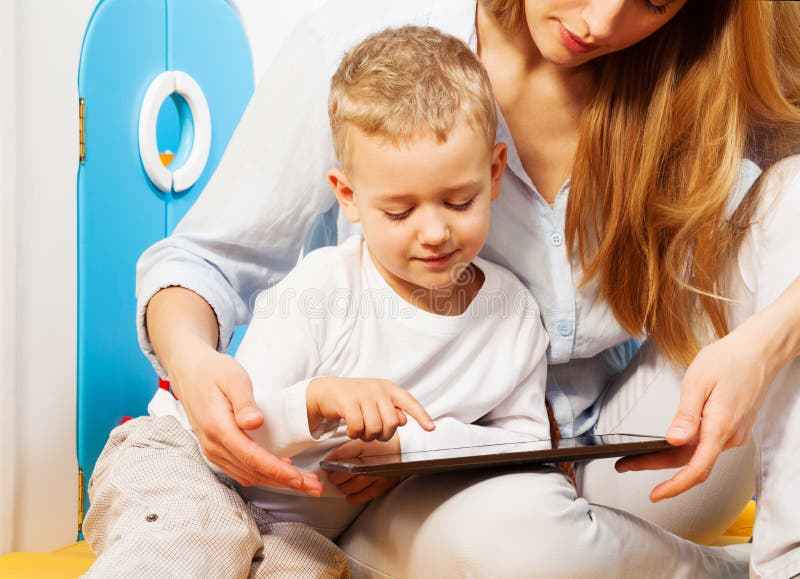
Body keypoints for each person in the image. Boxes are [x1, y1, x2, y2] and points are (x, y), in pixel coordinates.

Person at [135, 0, 800, 577]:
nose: (601, 22)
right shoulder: (365, 56)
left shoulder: (702, 66)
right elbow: (204, 261)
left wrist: (765, 346)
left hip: (642, 455)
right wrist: (195, 369)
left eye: (655, 1)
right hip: (425, 484)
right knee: (524, 544)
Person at [83, 26, 554, 576]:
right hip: (187, 464)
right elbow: (234, 430)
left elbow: (527, 445)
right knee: (199, 540)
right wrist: (317, 401)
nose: (434, 232)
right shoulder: (324, 288)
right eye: (399, 213)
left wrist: (410, 451)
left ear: (494, 173)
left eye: (459, 201)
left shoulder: (513, 315)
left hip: (296, 531)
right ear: (349, 197)